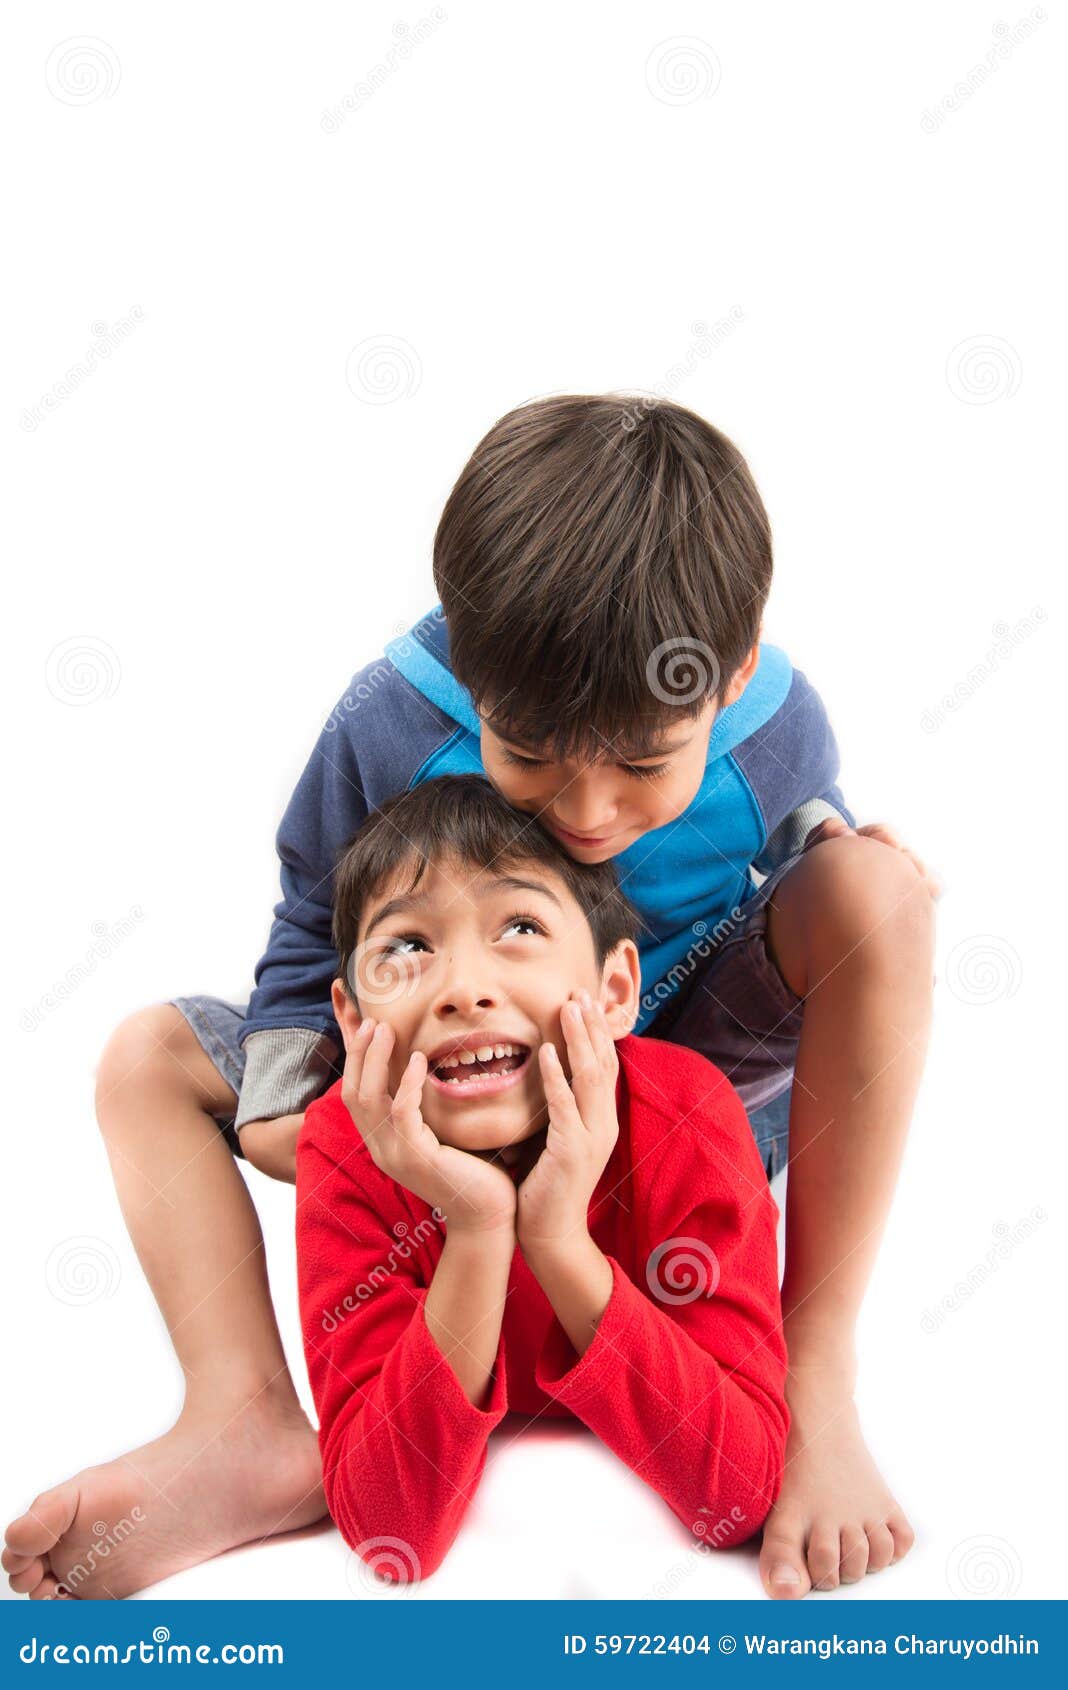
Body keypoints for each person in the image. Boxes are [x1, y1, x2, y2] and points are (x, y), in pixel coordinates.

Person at [4, 395, 935, 1601]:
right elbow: (309, 909)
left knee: (882, 892)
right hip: (440, 1090)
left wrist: (849, 856)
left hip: (673, 1104)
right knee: (148, 1055)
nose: (588, 813)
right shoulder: (388, 721)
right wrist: (294, 1093)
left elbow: (804, 843)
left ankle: (815, 1384)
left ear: (732, 676)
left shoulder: (775, 723)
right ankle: (246, 1415)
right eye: (533, 754)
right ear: (468, 666)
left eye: (646, 762)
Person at [298, 775, 788, 1580]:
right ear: (354, 1021)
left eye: (519, 925)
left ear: (615, 990)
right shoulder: (345, 1145)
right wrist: (479, 1224)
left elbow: (736, 1494)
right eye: (407, 947)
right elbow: (391, 1534)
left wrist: (559, 1240)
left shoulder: (689, 1114)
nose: (463, 990)